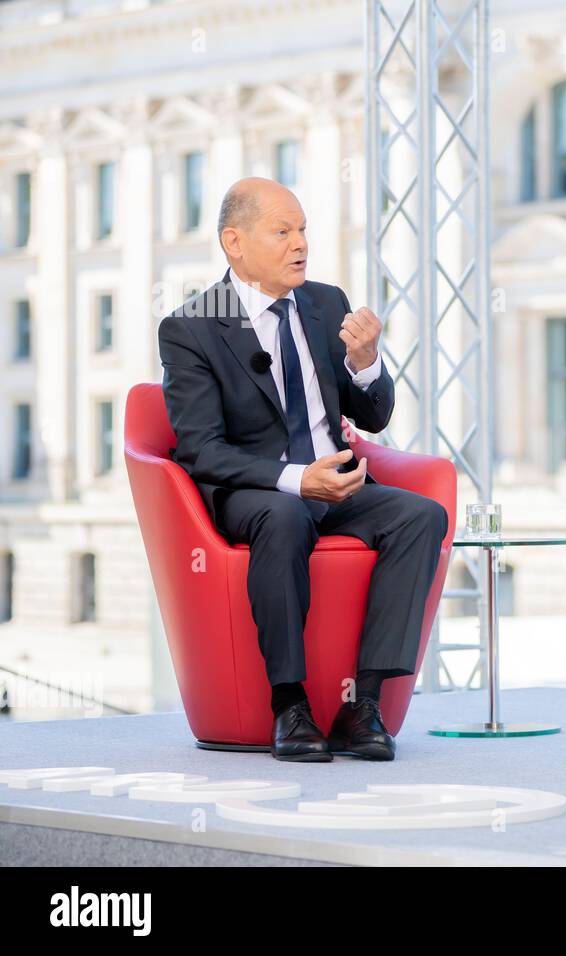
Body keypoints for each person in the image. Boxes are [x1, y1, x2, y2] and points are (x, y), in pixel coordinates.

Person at [158, 178, 448, 762]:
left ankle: (362, 705)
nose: (301, 245)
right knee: (286, 516)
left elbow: (373, 415)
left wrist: (366, 365)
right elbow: (200, 450)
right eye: (283, 231)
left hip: (336, 482)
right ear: (234, 242)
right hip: (256, 489)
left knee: (422, 516)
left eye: (304, 230)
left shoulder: (325, 302)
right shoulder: (191, 325)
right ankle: (289, 706)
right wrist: (296, 478)